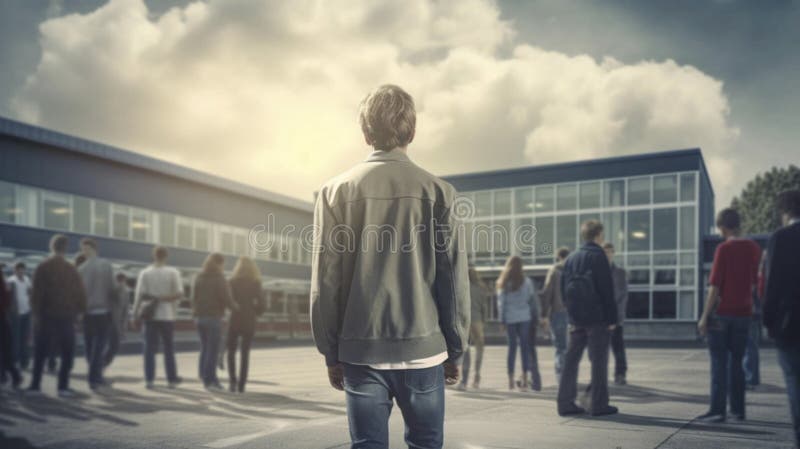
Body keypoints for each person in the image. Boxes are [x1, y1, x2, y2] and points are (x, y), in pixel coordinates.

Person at [310, 85, 469, 449]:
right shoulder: (440, 192)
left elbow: (325, 284)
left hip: (360, 352)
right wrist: (455, 347)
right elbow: (453, 281)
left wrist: (330, 351)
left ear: (366, 132)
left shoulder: (333, 193)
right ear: (411, 130)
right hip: (424, 351)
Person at [697, 208, 761, 423]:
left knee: (718, 364)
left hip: (722, 315)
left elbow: (714, 286)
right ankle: (738, 410)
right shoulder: (753, 248)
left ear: (723, 227)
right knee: (737, 364)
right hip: (744, 314)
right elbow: (755, 283)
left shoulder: (723, 249)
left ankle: (717, 411)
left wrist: (704, 316)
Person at [557, 220, 618, 417]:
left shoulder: (572, 257)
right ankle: (598, 405)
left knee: (570, 360)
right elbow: (607, 290)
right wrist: (612, 319)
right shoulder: (598, 255)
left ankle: (565, 403)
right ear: (598, 235)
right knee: (598, 361)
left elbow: (563, 288)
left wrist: (571, 313)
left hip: (576, 318)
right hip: (597, 318)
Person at [27, 234, 87, 397]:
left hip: (46, 315)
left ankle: (35, 386)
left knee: (41, 351)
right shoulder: (71, 269)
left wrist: (36, 315)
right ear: (66, 248)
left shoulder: (42, 267)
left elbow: (36, 294)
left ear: (51, 247)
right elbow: (80, 294)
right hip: (66, 316)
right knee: (67, 353)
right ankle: (63, 386)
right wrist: (78, 314)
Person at [763, 189, 800, 447]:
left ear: (785, 212)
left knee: (796, 383)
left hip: (790, 325)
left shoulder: (781, 237)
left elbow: (772, 283)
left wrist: (767, 321)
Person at [132, 246, 184, 389]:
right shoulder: (173, 272)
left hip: (150, 316)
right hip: (167, 315)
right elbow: (179, 294)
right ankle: (171, 380)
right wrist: (164, 298)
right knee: (169, 348)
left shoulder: (145, 273)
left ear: (153, 256)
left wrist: (135, 315)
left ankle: (149, 380)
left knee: (149, 348)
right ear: (166, 257)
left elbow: (139, 295)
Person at [192, 253, 236, 391]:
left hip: (200, 318)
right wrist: (235, 308)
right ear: (219, 264)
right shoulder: (219, 278)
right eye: (223, 264)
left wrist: (196, 313)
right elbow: (226, 298)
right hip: (213, 318)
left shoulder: (199, 277)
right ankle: (210, 380)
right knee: (212, 350)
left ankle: (203, 374)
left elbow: (193, 297)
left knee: (204, 347)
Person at [496, 256, 536, 392]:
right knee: (525, 348)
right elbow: (531, 298)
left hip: (510, 318)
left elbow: (501, 304)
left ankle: (511, 381)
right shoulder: (528, 282)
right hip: (525, 317)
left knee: (511, 348)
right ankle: (524, 381)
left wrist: (501, 321)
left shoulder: (504, 282)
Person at [226, 257, 265, 393]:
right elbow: (261, 304)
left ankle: (232, 382)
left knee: (231, 351)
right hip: (249, 319)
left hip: (235, 318)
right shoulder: (255, 282)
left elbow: (227, 300)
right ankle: (241, 385)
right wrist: (256, 312)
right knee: (244, 353)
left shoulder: (232, 282)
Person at [540, 247, 570, 384]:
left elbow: (547, 293)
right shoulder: (574, 271)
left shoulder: (554, 271)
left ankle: (561, 376)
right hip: (572, 314)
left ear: (558, 257)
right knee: (568, 346)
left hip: (557, 313)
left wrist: (544, 314)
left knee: (560, 347)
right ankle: (567, 375)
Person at [458, 267, 490, 391]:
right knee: (480, 349)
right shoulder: (481, 288)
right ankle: (477, 376)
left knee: (466, 350)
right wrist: (484, 322)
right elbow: (484, 308)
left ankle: (464, 381)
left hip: (466, 322)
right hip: (478, 322)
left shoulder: (462, 287)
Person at [603, 242, 629, 386]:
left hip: (615, 318)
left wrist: (617, 319)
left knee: (618, 347)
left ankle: (620, 374)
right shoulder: (596, 272)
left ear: (613, 253)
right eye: (605, 252)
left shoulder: (620, 272)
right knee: (599, 350)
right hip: (599, 318)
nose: (607, 254)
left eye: (609, 252)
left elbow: (622, 297)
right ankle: (600, 376)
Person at [744, 249, 767, 390]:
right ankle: (751, 378)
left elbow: (758, 293)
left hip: (750, 313)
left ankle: (750, 379)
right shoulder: (759, 274)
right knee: (751, 347)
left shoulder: (757, 275)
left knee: (750, 347)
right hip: (754, 313)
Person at [0, 267, 23, 389]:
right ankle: (14, 377)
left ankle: (12, 376)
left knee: (5, 353)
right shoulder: (5, 284)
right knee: (6, 353)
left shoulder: (5, 285)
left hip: (2, 320)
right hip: (4, 320)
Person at [7, 262, 32, 371]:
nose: (21, 271)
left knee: (24, 338)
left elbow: (30, 292)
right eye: (19, 269)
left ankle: (24, 362)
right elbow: (10, 299)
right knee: (16, 339)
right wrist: (13, 312)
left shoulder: (26, 279)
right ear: (15, 270)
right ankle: (14, 361)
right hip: (16, 314)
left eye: (23, 269)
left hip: (26, 312)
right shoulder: (11, 281)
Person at [105, 273, 130, 368]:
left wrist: (124, 327)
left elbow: (125, 310)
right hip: (110, 320)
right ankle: (102, 362)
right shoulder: (111, 289)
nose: (121, 283)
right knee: (113, 345)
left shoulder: (126, 291)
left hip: (116, 322)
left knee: (114, 345)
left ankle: (103, 362)